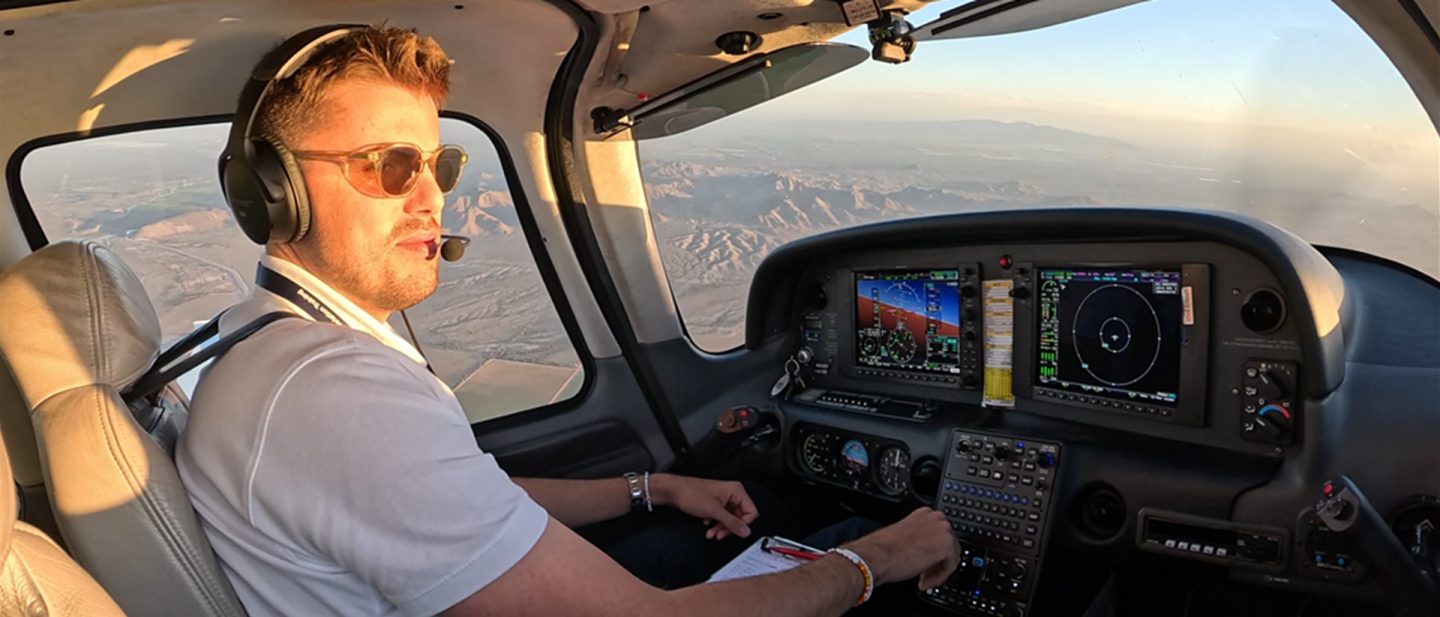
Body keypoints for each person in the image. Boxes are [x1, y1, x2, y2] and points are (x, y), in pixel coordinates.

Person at [176, 25, 959, 617]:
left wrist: (656, 486)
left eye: (438, 164)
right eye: (390, 164)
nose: (432, 197)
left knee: (718, 535)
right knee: (858, 556)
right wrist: (879, 558)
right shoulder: (334, 391)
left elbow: (474, 498)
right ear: (272, 189)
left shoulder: (263, 339)